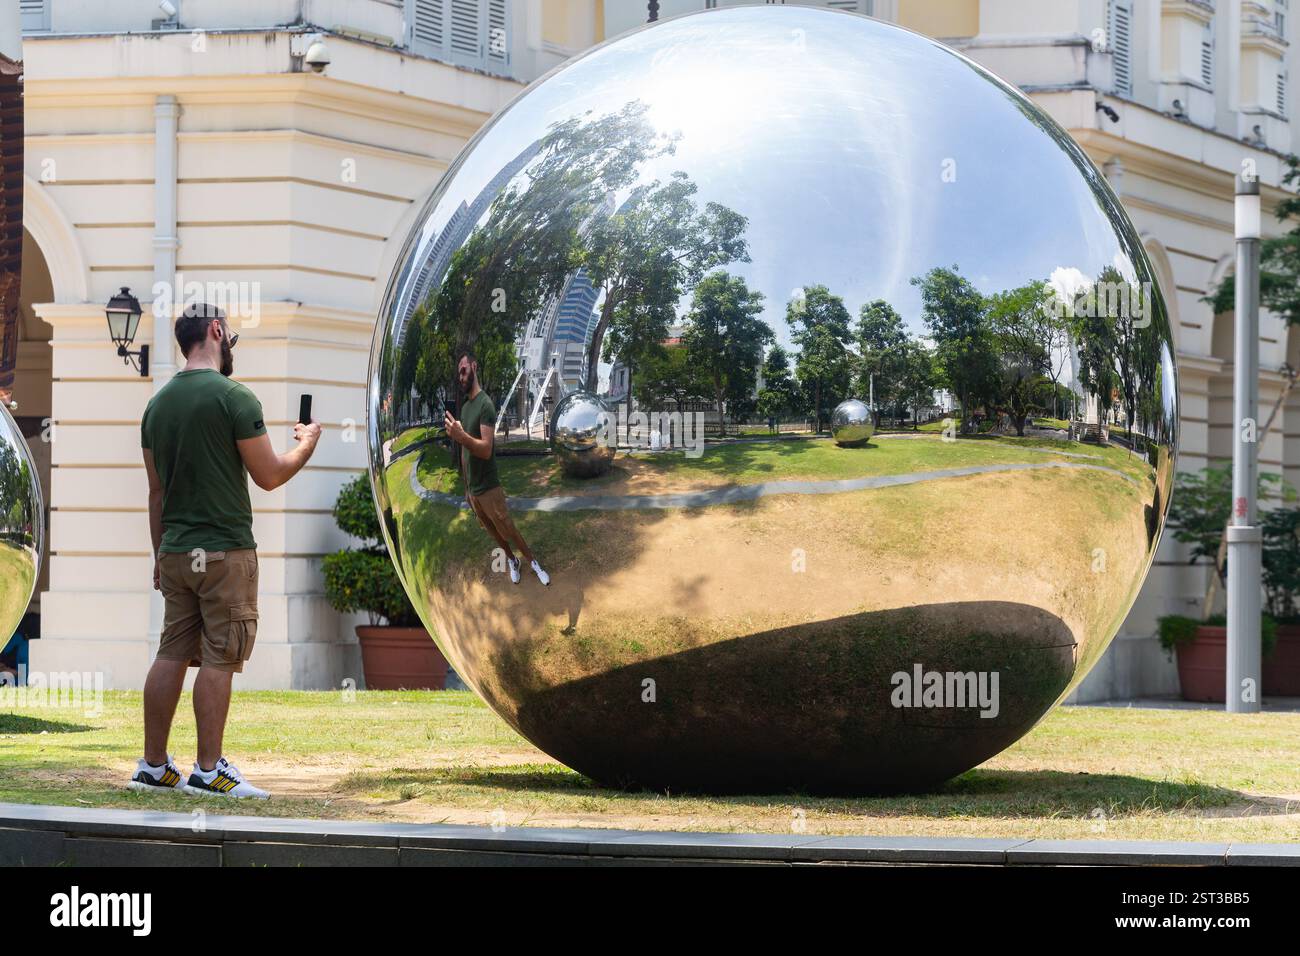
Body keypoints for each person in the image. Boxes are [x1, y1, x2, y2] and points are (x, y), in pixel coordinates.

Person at [130, 303, 321, 799]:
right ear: (215, 331)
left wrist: (158, 554)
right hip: (224, 553)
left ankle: (153, 765)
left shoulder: (156, 405)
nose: (231, 343)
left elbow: (154, 492)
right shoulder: (235, 397)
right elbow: (270, 474)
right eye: (230, 334)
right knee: (220, 655)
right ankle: (210, 769)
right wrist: (306, 445)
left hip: (174, 552)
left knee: (171, 650)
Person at [444, 350, 549, 587]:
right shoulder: (465, 408)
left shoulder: (485, 404)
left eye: (464, 370)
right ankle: (513, 561)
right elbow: (464, 451)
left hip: (490, 488)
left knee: (508, 529)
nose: (460, 376)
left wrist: (461, 436)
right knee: (492, 531)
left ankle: (533, 563)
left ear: (474, 366)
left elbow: (485, 449)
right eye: (458, 373)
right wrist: (466, 487)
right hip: (474, 491)